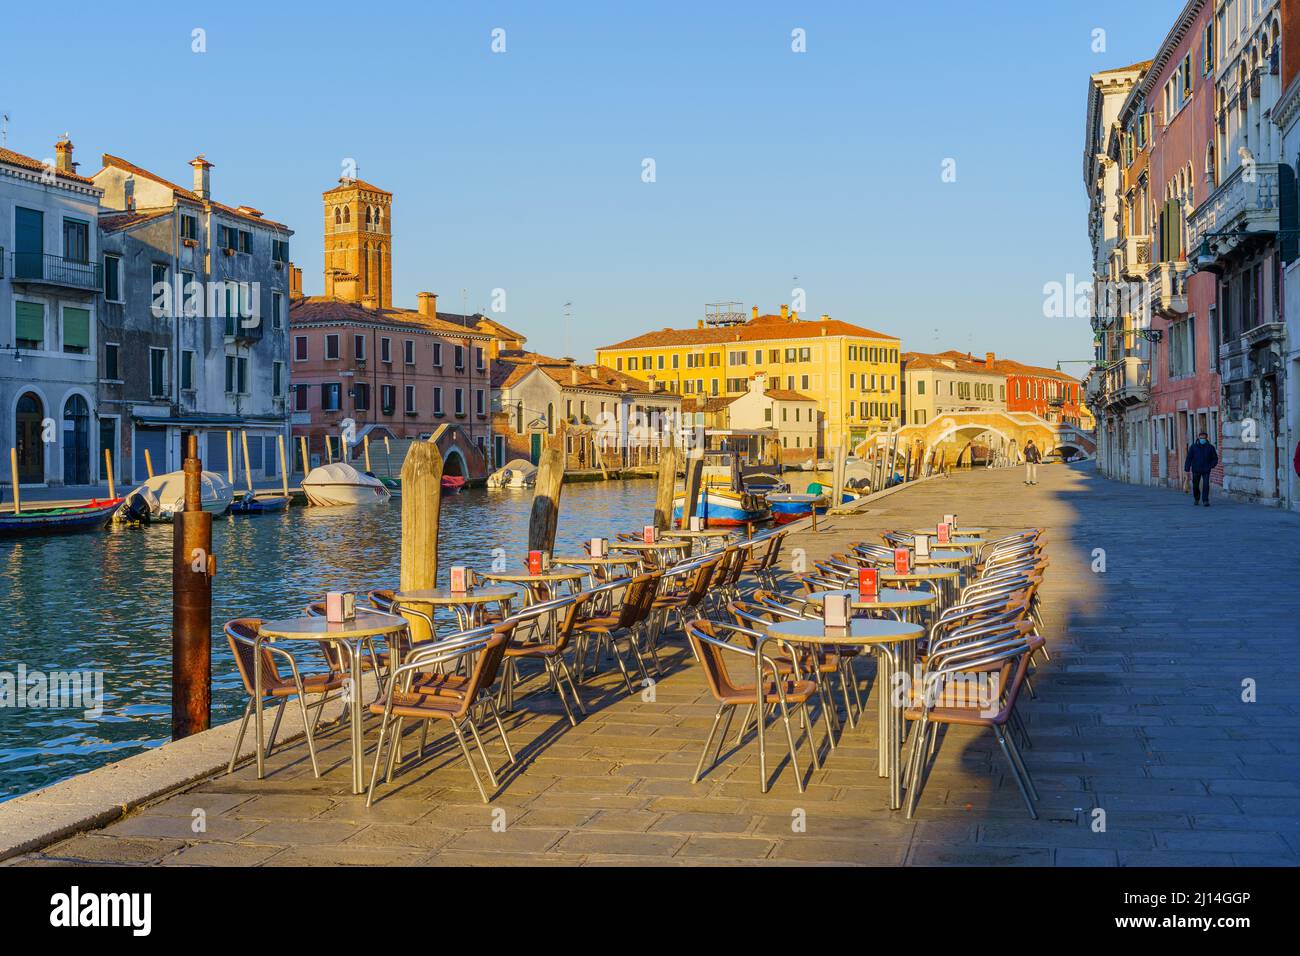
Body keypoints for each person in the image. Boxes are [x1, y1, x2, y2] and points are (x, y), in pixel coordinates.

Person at [1184, 431, 1219, 507]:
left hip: (1206, 469)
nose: (1202, 439)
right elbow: (1189, 458)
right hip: (1196, 469)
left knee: (1206, 485)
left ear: (1206, 438)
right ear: (1198, 438)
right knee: (1195, 485)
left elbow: (1215, 458)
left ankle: (1205, 500)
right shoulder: (1193, 447)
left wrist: (1211, 465)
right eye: (1201, 438)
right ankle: (1197, 498)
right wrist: (1187, 468)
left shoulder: (1210, 447)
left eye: (1204, 438)